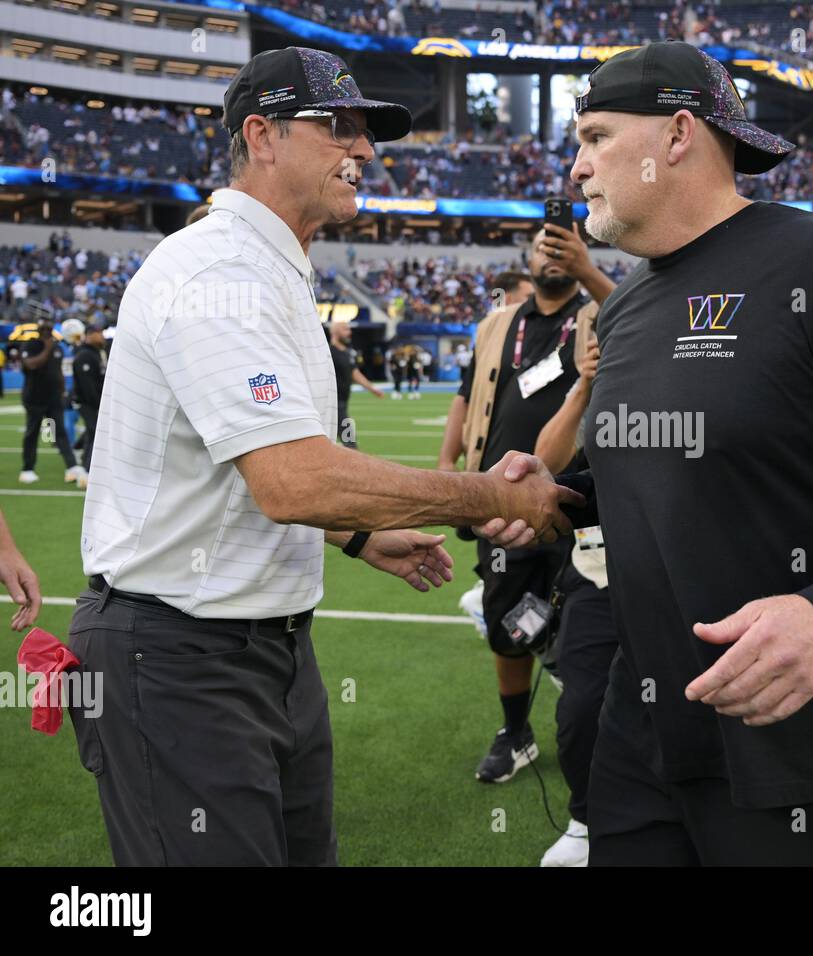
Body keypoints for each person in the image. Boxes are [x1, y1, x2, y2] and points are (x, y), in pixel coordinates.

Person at [69, 46, 580, 867]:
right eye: (338, 127)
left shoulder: (270, 269)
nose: (366, 150)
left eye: (366, 131)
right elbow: (291, 478)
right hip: (176, 653)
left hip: (262, 647)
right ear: (262, 135)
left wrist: (357, 535)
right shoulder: (219, 272)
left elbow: (248, 465)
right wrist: (487, 492)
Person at [485, 41, 813, 865]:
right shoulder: (625, 307)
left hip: (798, 741)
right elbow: (648, 474)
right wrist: (558, 493)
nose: (575, 169)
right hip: (641, 729)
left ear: (678, 136)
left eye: (597, 137)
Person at [440, 224, 613, 786]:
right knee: (506, 619)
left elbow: (643, 315)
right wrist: (449, 465)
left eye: (564, 245)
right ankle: (515, 731)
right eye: (544, 245)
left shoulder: (596, 313)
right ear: (529, 258)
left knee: (585, 610)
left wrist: (589, 269)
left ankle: (594, 716)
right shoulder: (496, 324)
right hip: (499, 497)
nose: (552, 253)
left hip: (579, 498)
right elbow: (466, 395)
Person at [533, 333, 610, 866]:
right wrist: (583, 383)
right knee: (580, 707)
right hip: (597, 566)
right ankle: (584, 819)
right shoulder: (589, 384)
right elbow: (550, 458)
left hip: (685, 568)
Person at [16, 304, 82, 486]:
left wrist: (62, 391)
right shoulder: (32, 345)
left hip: (53, 399)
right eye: (44, 327)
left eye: (49, 327)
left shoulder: (58, 347)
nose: (47, 331)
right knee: (32, 433)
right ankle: (27, 469)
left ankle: (71, 466)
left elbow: (58, 372)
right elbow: (32, 365)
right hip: (34, 399)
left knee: (59, 433)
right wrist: (46, 348)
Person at [328, 319, 383, 448]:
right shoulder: (328, 353)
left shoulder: (346, 352)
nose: (349, 332)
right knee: (351, 443)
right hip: (332, 406)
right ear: (335, 332)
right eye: (345, 329)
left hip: (342, 404)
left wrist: (372, 389)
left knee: (345, 442)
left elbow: (354, 373)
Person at [69, 319, 106, 487]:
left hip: (94, 402)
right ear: (89, 335)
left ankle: (78, 450)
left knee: (93, 432)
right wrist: (100, 404)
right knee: (95, 433)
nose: (102, 336)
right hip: (87, 402)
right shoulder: (85, 355)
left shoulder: (96, 353)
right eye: (98, 333)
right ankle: (86, 471)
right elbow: (87, 386)